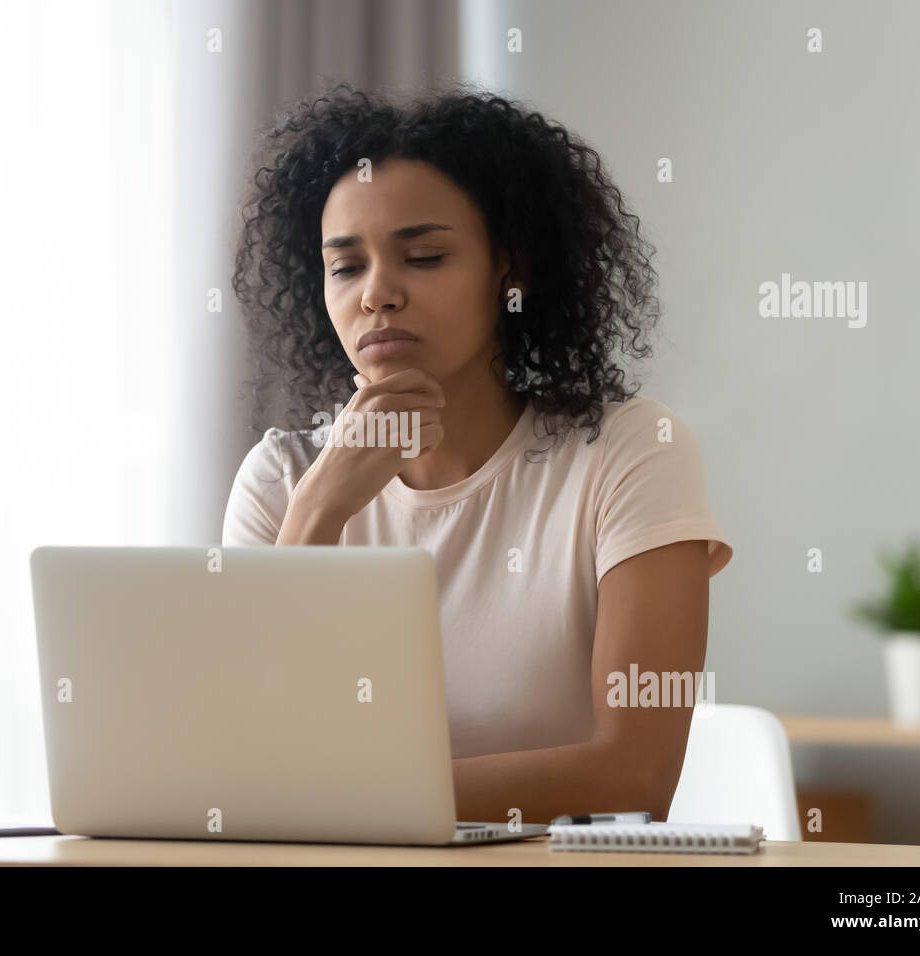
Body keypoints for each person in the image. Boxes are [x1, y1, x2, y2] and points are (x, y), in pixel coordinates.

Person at [223, 82, 733, 823]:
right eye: (345, 266)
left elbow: (636, 772)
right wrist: (319, 511)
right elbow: (238, 760)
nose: (377, 294)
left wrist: (345, 801)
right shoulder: (283, 480)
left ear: (510, 271)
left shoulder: (627, 454)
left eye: (423, 256)